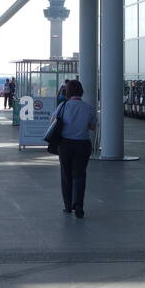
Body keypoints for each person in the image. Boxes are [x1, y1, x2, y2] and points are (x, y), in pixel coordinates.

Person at [56, 79, 97, 220]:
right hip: (83, 144)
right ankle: (78, 205)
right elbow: (92, 127)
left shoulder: (63, 106)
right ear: (81, 91)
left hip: (65, 144)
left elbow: (53, 123)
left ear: (67, 92)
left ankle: (68, 205)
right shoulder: (88, 107)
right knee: (80, 175)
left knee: (66, 174)